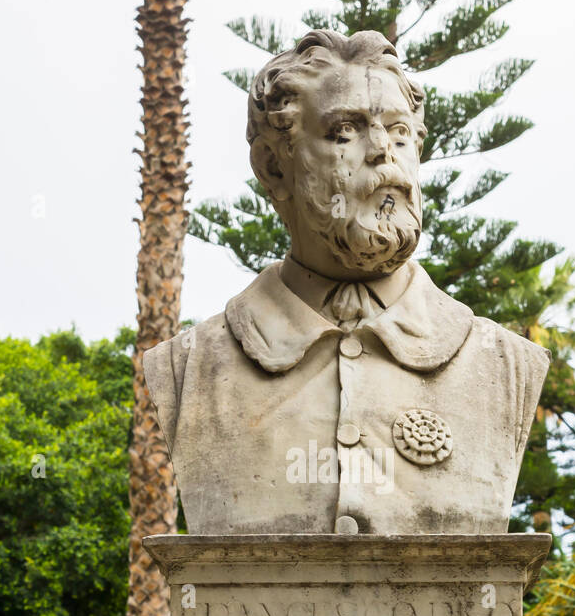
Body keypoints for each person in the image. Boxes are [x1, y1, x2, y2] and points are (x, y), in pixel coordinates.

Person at [143, 28, 549, 536]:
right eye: (345, 132)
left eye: (400, 132)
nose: (383, 151)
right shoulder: (193, 368)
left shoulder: (505, 365)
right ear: (273, 166)